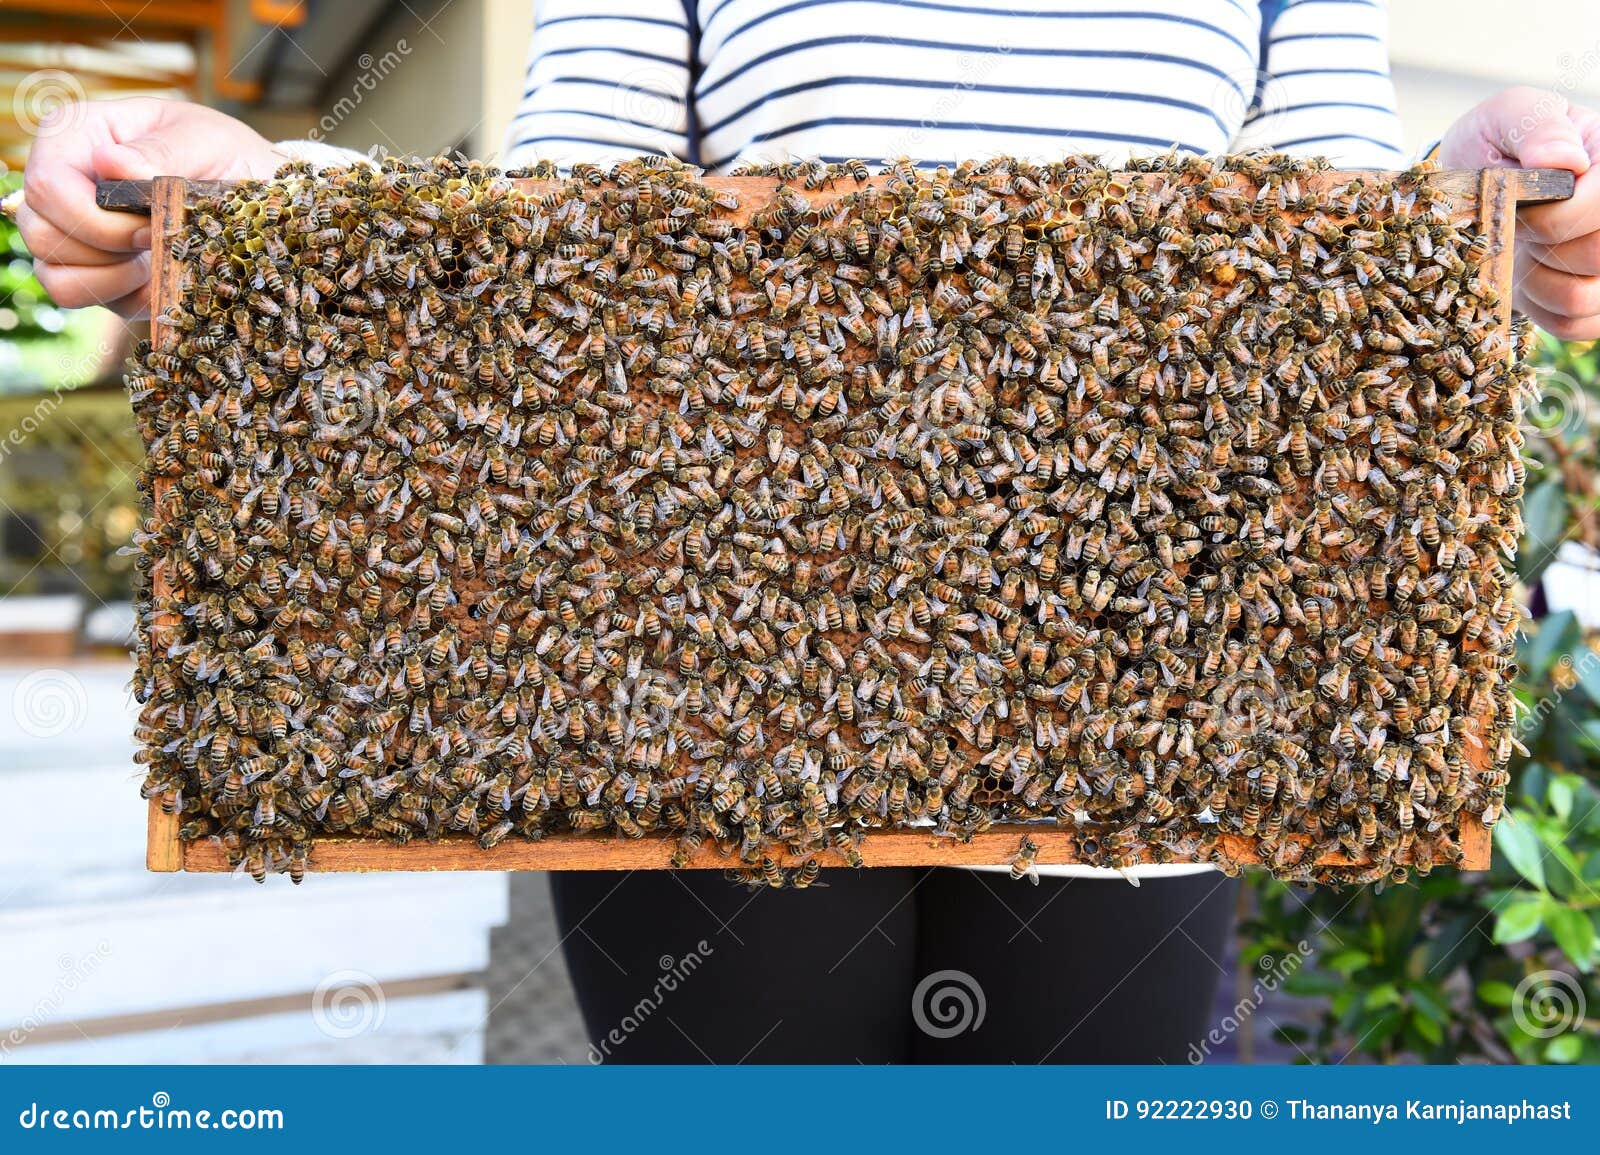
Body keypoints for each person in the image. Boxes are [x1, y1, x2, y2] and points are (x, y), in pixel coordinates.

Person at [19, 0, 1600, 1063]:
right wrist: (271, 208)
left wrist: (1476, 197)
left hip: (1138, 665)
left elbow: (1325, 224)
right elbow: (569, 240)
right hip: (719, 664)